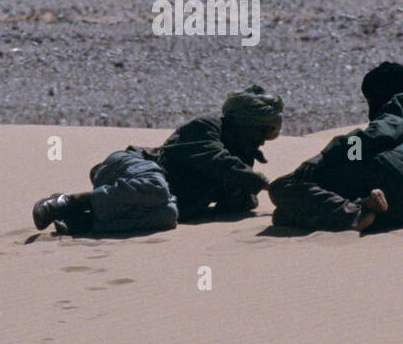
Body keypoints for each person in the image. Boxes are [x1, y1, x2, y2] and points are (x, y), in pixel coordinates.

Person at [32, 84, 283, 236]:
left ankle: (80, 223)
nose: (262, 141)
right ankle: (66, 201)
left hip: (154, 195)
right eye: (260, 131)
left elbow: (235, 200)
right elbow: (216, 160)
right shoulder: (207, 126)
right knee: (155, 187)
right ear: (244, 123)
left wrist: (243, 195)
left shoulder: (240, 159)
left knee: (167, 215)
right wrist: (265, 184)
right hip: (132, 164)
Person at [268, 62, 403, 233]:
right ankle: (364, 208)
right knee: (284, 215)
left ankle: (355, 214)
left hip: (385, 175)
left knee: (283, 186)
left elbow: (377, 135)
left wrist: (326, 157)